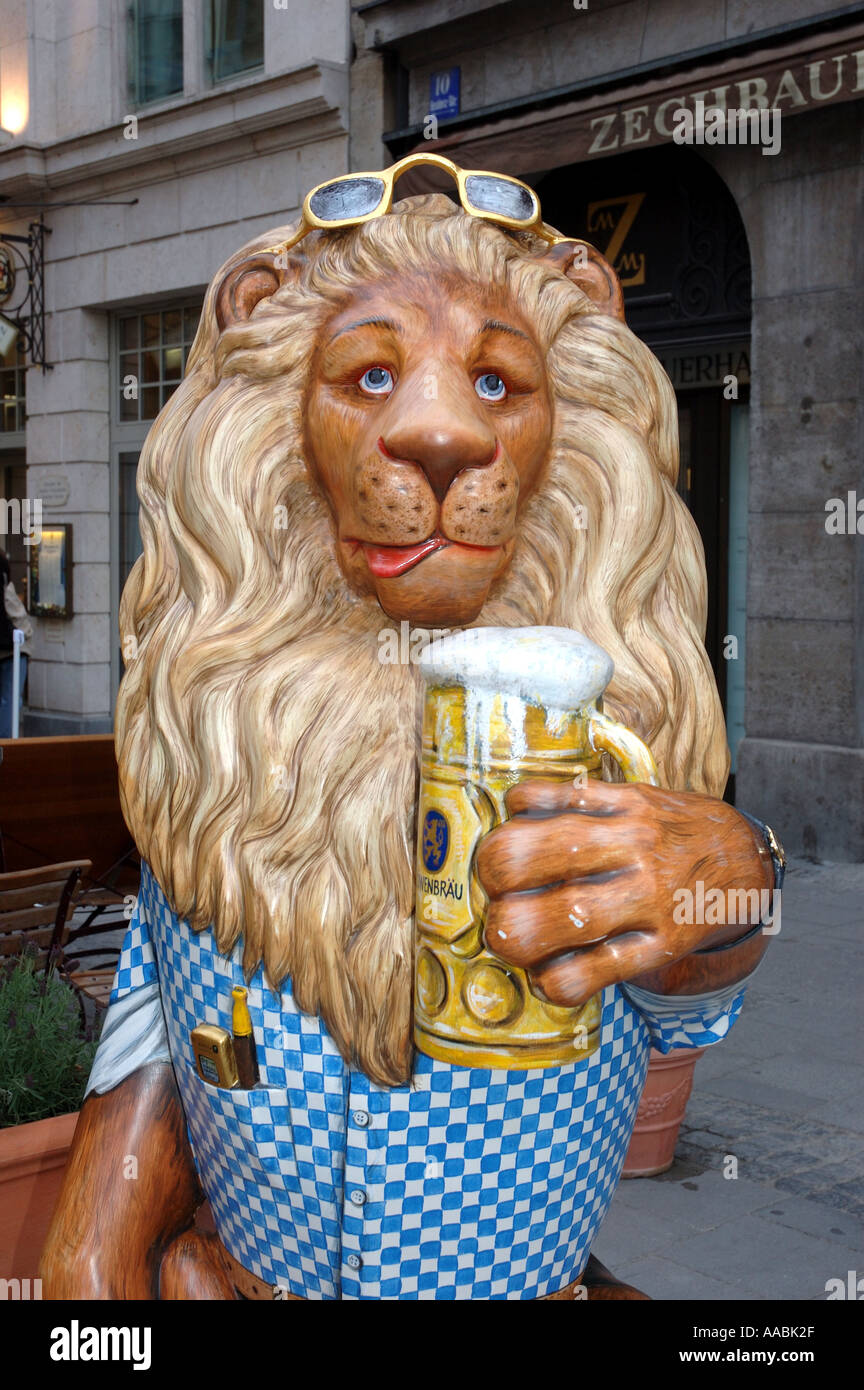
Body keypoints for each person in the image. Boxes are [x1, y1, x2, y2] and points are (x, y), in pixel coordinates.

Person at [0, 549, 33, 737]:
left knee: (9, 701)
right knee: (10, 701)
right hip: (12, 646)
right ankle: (7, 748)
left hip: (12, 646)